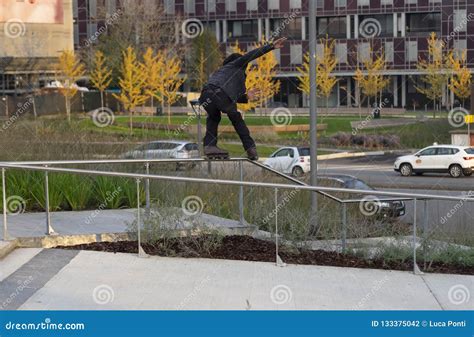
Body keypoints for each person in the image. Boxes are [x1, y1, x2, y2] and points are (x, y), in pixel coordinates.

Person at [199, 37, 287, 160]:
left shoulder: (221, 71)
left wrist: (245, 96)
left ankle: (209, 146)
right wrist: (271, 46)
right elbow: (250, 55)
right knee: (236, 118)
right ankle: (250, 148)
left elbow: (228, 94)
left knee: (214, 117)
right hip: (219, 94)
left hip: (205, 95)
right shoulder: (236, 64)